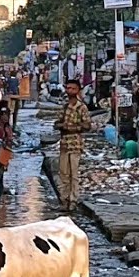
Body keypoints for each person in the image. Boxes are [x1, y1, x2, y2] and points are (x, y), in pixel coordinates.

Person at [55, 79, 92, 211]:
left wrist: (73, 127)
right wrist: (63, 126)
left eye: (73, 88)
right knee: (64, 174)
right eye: (68, 88)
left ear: (78, 90)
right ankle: (64, 200)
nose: (70, 90)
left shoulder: (81, 107)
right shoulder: (64, 107)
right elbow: (56, 123)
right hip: (64, 144)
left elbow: (88, 125)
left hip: (76, 144)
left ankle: (73, 200)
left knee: (74, 175)